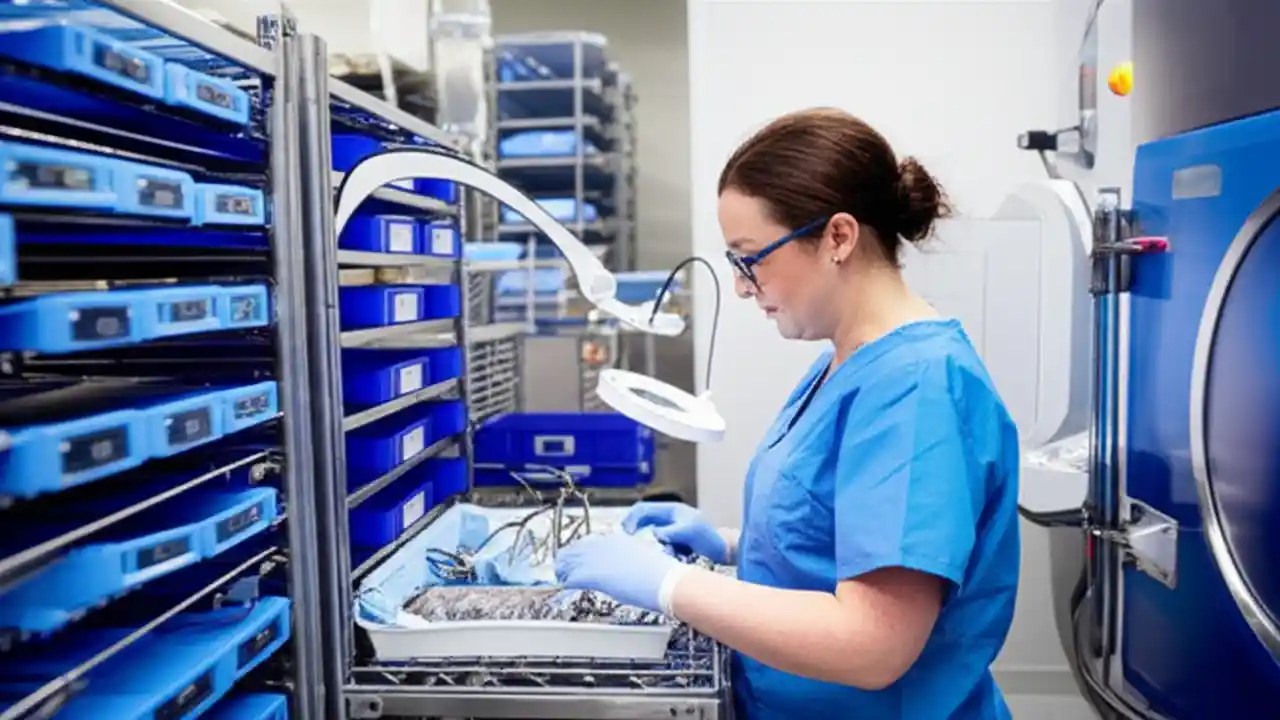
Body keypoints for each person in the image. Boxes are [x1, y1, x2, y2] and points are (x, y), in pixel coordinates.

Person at [555, 107, 1021, 719]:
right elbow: (850, 539)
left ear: (838, 237)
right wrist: (729, 544)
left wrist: (669, 586)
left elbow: (873, 643)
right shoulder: (845, 362)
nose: (744, 287)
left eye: (752, 258)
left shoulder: (919, 387)